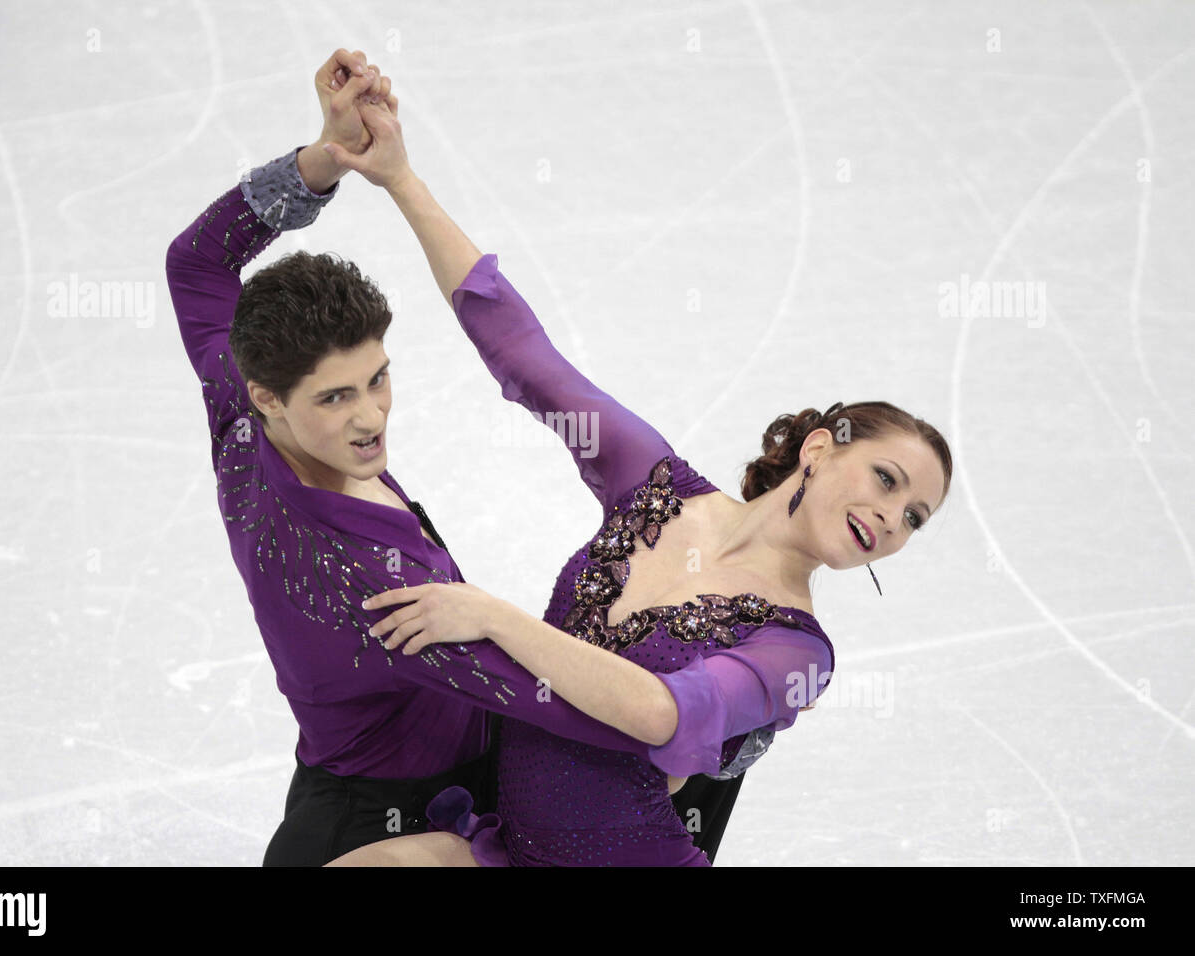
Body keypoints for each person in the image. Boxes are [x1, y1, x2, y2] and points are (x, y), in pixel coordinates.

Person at [322, 82, 952, 866]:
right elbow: (527, 360)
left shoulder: (798, 653)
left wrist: (494, 617)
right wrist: (401, 180)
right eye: (888, 480)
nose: (894, 519)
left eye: (916, 517)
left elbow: (660, 712)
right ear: (821, 448)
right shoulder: (656, 489)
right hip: (509, 846)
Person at [164, 49, 751, 867]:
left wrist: (325, 160)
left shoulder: (244, 407)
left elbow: (194, 263)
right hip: (381, 819)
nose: (371, 418)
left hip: (444, 763)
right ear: (270, 397)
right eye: (336, 399)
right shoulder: (364, 580)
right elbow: (553, 704)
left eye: (377, 378)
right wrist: (718, 728)